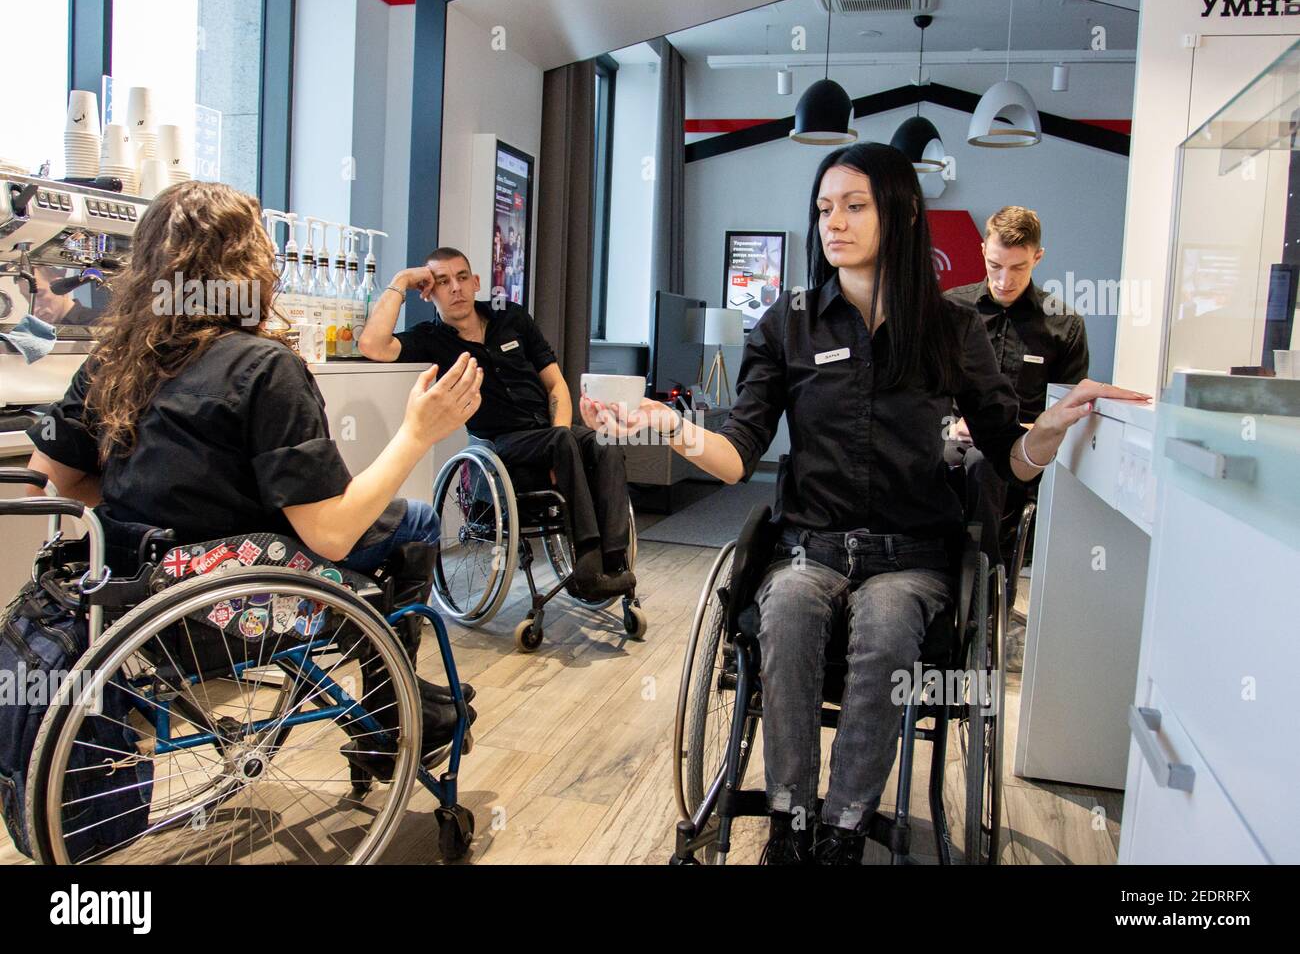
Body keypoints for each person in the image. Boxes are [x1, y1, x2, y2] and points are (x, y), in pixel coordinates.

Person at [580, 143, 1149, 865]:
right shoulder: (788, 323)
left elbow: (1008, 455)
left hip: (912, 557)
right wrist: (670, 426)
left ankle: (844, 831)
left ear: (902, 213)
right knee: (786, 612)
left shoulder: (951, 327)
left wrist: (1054, 427)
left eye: (854, 206)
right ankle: (789, 825)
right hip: (808, 550)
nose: (834, 223)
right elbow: (739, 453)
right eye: (824, 208)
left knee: (886, 626)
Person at [23, 181, 484, 756]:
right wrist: (417, 433)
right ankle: (393, 702)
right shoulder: (265, 367)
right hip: (229, 603)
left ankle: (398, 695)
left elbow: (51, 482)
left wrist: (157, 503)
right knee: (413, 521)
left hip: (133, 592)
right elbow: (333, 535)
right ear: (250, 267)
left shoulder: (112, 360)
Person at [357, 247, 636, 601]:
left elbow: (556, 385)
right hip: (499, 444)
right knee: (562, 443)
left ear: (476, 282)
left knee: (603, 443)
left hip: (550, 431)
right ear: (428, 292)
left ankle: (614, 561)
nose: (455, 288)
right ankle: (588, 563)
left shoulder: (512, 318)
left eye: (461, 278)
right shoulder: (430, 339)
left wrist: (560, 434)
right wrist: (401, 281)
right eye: (442, 282)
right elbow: (373, 345)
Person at [944, 207, 1090, 563]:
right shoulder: (950, 309)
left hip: (1021, 449)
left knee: (983, 462)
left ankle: (981, 579)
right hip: (952, 438)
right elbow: (922, 388)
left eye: (1018, 268)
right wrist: (952, 423)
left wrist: (1022, 432)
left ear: (1037, 258)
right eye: (995, 265)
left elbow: (1065, 413)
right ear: (983, 250)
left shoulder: (1063, 324)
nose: (1004, 280)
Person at [32, 266, 98, 327]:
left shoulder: (97, 323)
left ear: (60, 285)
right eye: (28, 298)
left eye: (40, 295)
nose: (35, 309)